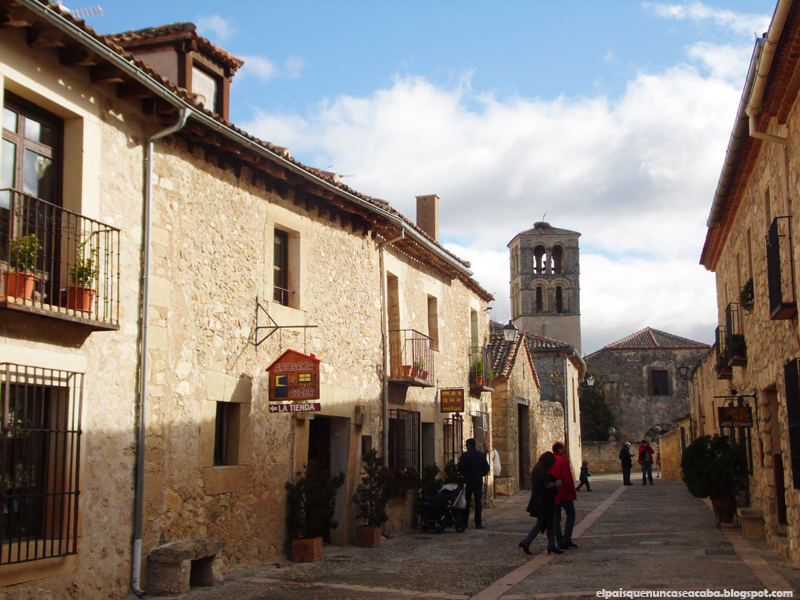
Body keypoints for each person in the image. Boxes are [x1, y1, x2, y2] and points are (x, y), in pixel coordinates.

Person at [519, 451, 562, 555]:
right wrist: (556, 484)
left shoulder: (538, 467)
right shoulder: (541, 469)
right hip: (542, 500)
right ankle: (527, 542)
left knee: (548, 522)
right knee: (543, 522)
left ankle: (551, 545)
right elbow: (546, 485)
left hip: (541, 499)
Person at [549, 441, 578, 550]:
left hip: (553, 494)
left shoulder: (550, 461)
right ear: (560, 449)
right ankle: (566, 538)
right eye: (564, 448)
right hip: (564, 493)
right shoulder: (563, 461)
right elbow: (567, 478)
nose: (565, 449)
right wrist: (572, 490)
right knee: (571, 514)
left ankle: (559, 541)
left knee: (556, 519)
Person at [457, 438, 490, 528]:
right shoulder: (481, 455)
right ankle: (478, 523)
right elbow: (486, 468)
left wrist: (464, 475)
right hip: (478, 481)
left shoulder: (465, 455)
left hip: (468, 481)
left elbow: (460, 467)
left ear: (469, 445)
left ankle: (465, 522)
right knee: (478, 502)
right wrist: (481, 474)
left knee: (467, 502)